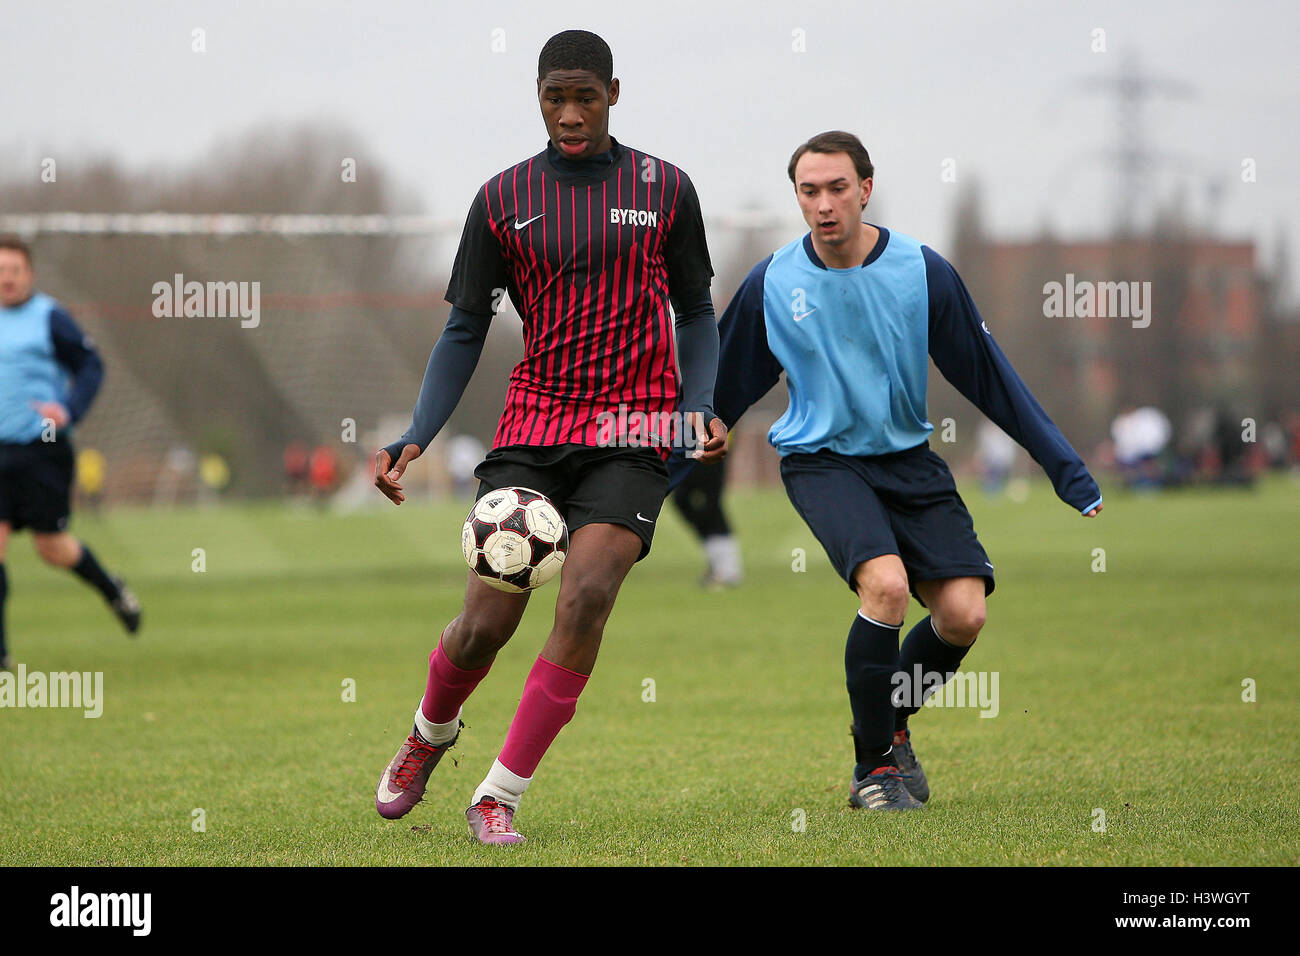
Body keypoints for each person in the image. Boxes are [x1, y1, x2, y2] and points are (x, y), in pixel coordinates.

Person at [671, 132, 1102, 811]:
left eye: (837, 188)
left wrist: (1065, 468)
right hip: (822, 462)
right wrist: (668, 466)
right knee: (888, 590)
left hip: (908, 462)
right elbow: (714, 393)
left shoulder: (922, 271)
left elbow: (990, 377)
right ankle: (872, 770)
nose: (823, 204)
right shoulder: (774, 282)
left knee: (963, 616)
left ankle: (888, 722)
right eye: (809, 191)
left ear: (865, 189)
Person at [371, 30, 725, 844]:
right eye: (554, 97)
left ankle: (499, 794)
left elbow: (697, 311)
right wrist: (419, 433)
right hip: (533, 426)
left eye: (585, 97)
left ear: (614, 94)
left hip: (638, 428)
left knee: (587, 596)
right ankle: (429, 735)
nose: (570, 114)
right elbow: (464, 330)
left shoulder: (665, 189)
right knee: (484, 625)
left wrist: (699, 404)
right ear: (537, 96)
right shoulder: (502, 199)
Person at [0, 237, 142, 671]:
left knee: (52, 548)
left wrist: (69, 409)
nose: (6, 277)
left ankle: (112, 590)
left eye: (14, 269)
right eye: (0, 269)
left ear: (30, 275)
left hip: (43, 447)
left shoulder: (49, 318)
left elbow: (90, 366)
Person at [669, 453, 743, 588]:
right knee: (683, 499)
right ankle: (720, 562)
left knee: (710, 504)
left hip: (711, 446)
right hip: (691, 446)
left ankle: (728, 568)